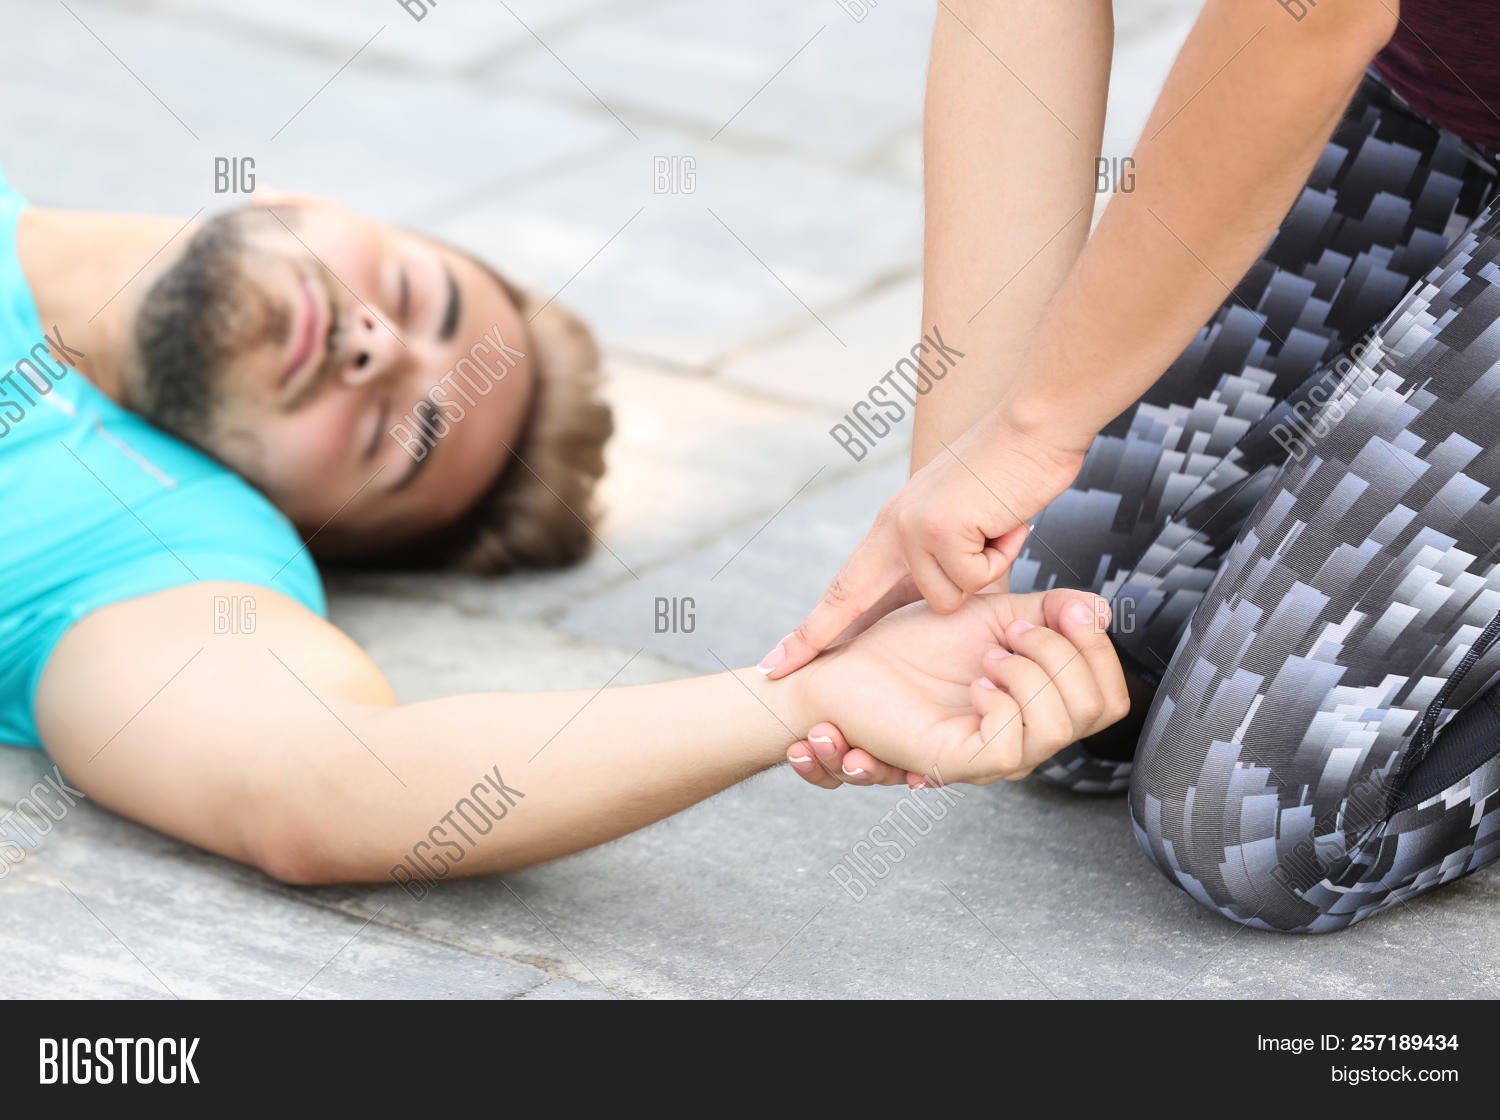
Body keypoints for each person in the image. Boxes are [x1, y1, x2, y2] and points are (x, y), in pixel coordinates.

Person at [0, 159, 1130, 884]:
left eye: (400, 434)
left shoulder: (157, 554)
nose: (378, 347)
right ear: (317, 205)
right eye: (413, 297)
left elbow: (311, 779)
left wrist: (793, 696)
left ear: (314, 527)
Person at [773, 0, 1500, 932]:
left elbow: (1311, 15)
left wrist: (1039, 426)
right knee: (1062, 662)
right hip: (1429, 104)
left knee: (1257, 822)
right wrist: (958, 544)